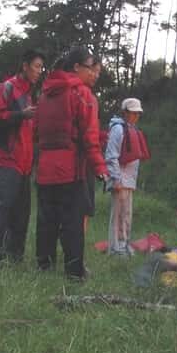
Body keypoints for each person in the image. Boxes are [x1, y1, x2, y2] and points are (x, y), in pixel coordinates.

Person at [35, 47, 108, 281]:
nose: (94, 74)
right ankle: (74, 272)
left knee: (46, 221)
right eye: (90, 68)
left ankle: (44, 266)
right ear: (76, 67)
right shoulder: (83, 95)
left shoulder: (44, 94)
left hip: (45, 168)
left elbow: (36, 131)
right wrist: (100, 169)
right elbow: (89, 137)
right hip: (70, 170)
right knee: (72, 224)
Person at [0, 49, 44, 266]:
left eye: (41, 67)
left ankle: (16, 259)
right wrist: (21, 115)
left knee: (22, 214)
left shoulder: (30, 94)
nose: (40, 71)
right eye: (37, 66)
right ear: (25, 66)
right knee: (5, 211)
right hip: (7, 161)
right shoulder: (8, 87)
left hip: (25, 164)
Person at [105, 98, 150, 256]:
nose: (136, 116)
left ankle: (124, 244)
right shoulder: (118, 129)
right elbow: (111, 156)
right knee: (118, 216)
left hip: (129, 180)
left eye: (138, 113)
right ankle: (115, 248)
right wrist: (116, 179)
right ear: (125, 113)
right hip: (120, 180)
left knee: (126, 215)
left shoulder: (131, 129)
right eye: (133, 113)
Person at [82, 57, 103, 233]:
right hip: (84, 160)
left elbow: (93, 132)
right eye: (93, 70)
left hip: (88, 159)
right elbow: (87, 134)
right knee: (82, 207)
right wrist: (99, 167)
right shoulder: (85, 98)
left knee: (86, 207)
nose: (96, 75)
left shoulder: (91, 98)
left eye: (98, 73)